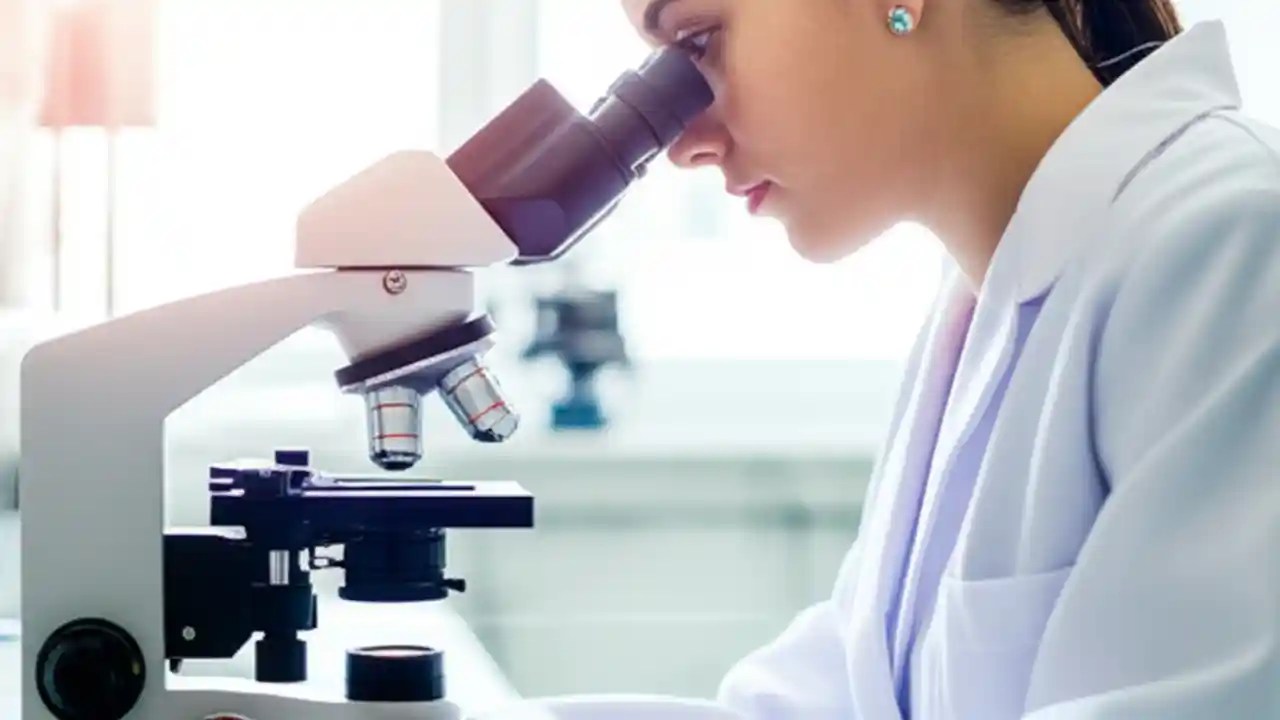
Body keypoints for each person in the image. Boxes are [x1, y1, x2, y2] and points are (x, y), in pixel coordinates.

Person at [621, 1, 1279, 718]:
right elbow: (851, 690)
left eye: (698, 42)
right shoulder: (982, 301)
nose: (682, 141)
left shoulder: (1229, 246)